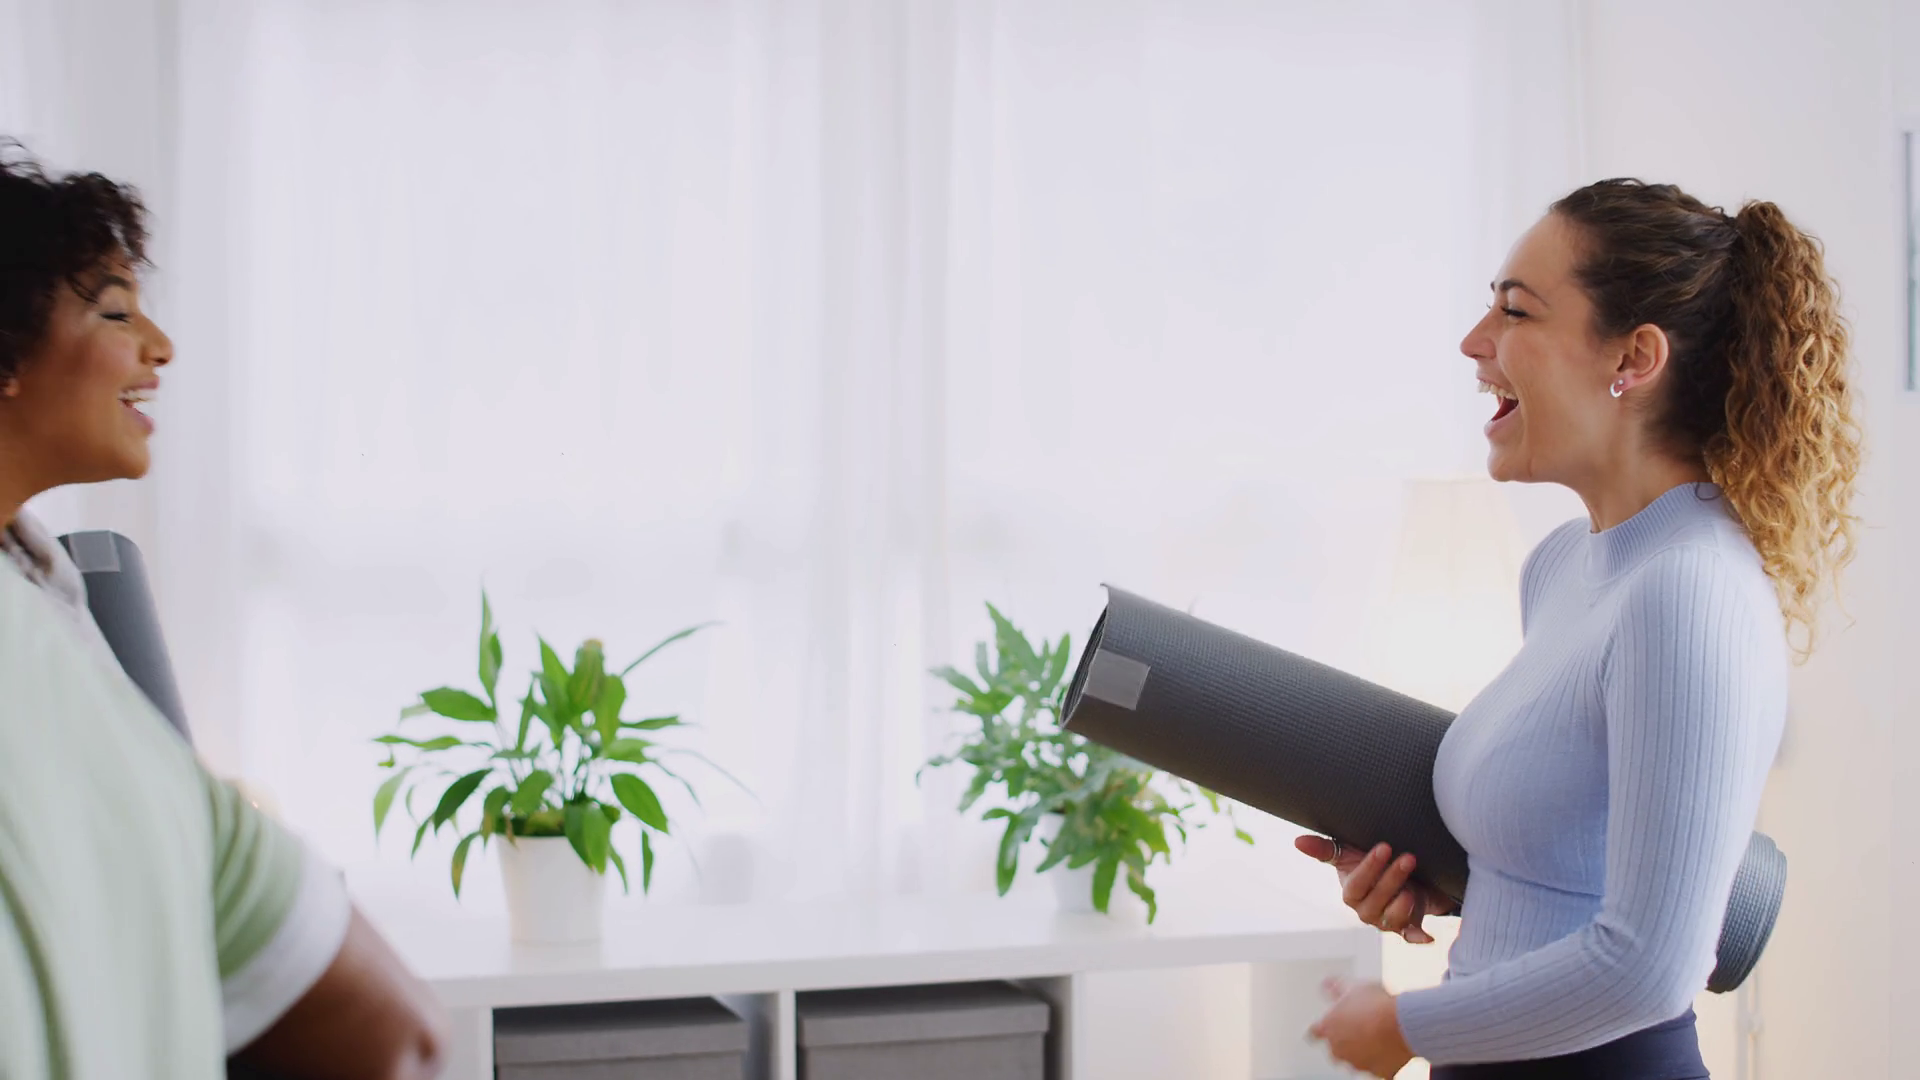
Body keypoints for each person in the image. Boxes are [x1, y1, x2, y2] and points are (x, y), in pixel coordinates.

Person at [1300, 179, 1861, 1079]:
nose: (1474, 342)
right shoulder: (1564, 566)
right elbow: (1571, 865)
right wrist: (1444, 888)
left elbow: (1648, 968)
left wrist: (1411, 1026)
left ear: (1634, 358)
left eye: (1515, 312)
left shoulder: (1693, 591)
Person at [0, 142, 447, 1077]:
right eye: (116, 313)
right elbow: (396, 1035)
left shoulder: (68, 635)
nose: (158, 346)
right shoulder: (84, 686)